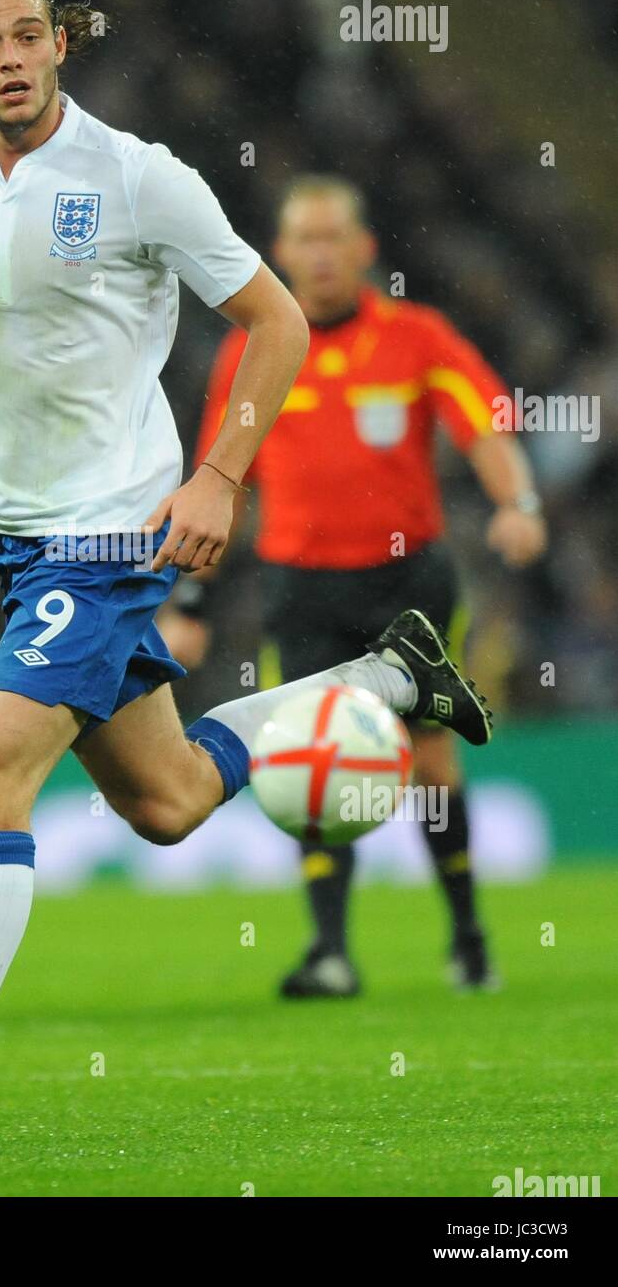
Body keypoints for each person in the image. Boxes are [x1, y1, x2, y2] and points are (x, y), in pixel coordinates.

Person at [0, 0, 492, 1151]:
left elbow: (273, 320)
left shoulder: (137, 176)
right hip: (18, 540)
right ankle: (389, 677)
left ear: (61, 46)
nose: (10, 56)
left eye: (29, 35)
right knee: (168, 803)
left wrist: (217, 475)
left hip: (111, 533)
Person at [161, 175, 546, 1000]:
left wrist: (516, 501)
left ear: (365, 249)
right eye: (306, 238)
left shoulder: (416, 337)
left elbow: (484, 421)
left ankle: (468, 939)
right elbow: (220, 481)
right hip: (300, 587)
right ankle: (330, 953)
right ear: (282, 253)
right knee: (303, 758)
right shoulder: (255, 349)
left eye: (335, 237)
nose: (322, 253)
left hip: (407, 583)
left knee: (429, 756)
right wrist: (189, 603)